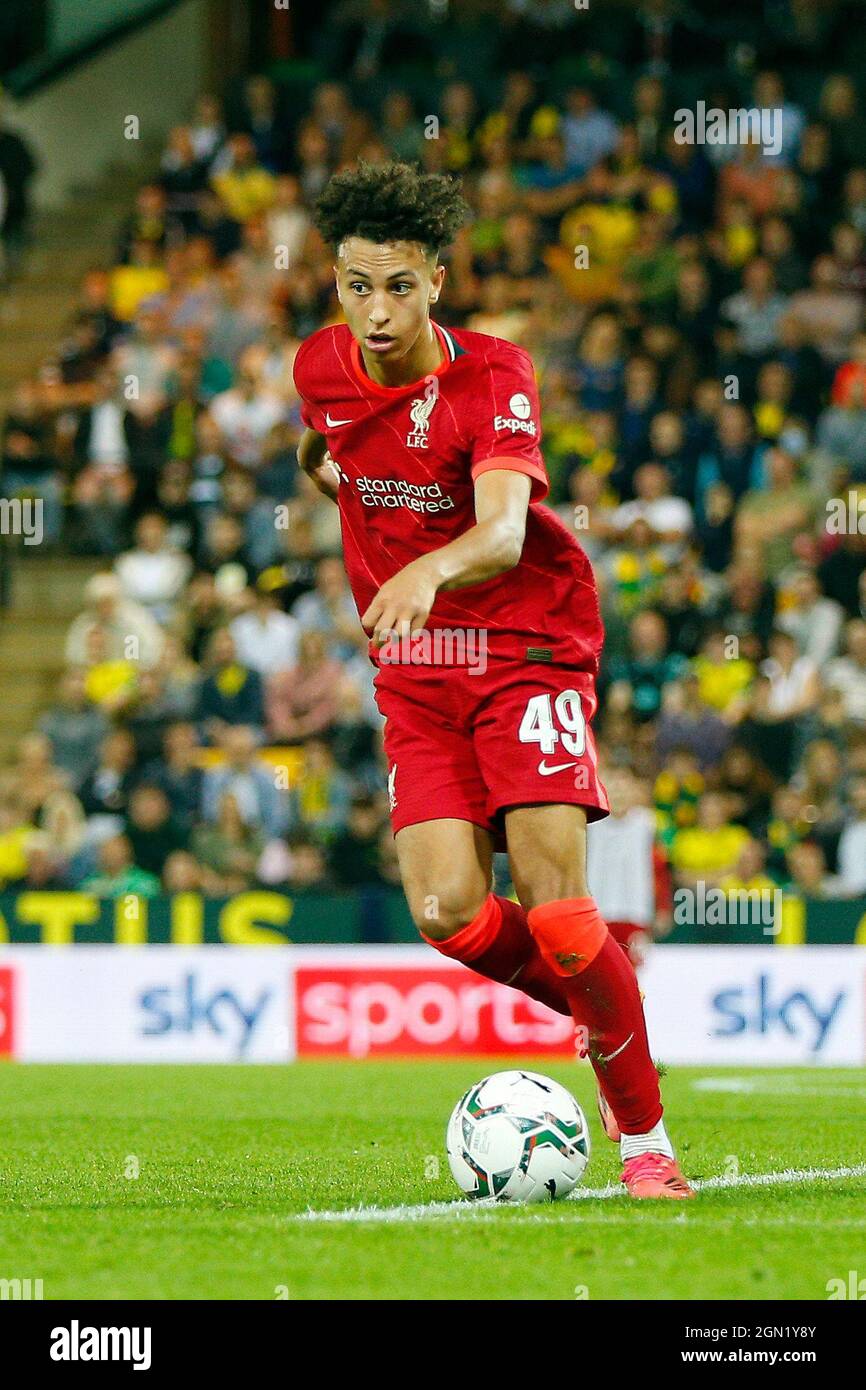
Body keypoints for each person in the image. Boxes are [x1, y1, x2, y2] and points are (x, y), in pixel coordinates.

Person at [292, 161, 692, 1199]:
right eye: (354, 286)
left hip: (520, 650)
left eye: (397, 287)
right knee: (445, 911)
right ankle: (605, 1013)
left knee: (559, 915)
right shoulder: (319, 369)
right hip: (415, 673)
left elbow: (505, 530)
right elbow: (333, 438)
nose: (375, 312)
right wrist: (322, 466)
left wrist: (425, 566)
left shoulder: (495, 374)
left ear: (435, 279)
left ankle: (644, 1141)